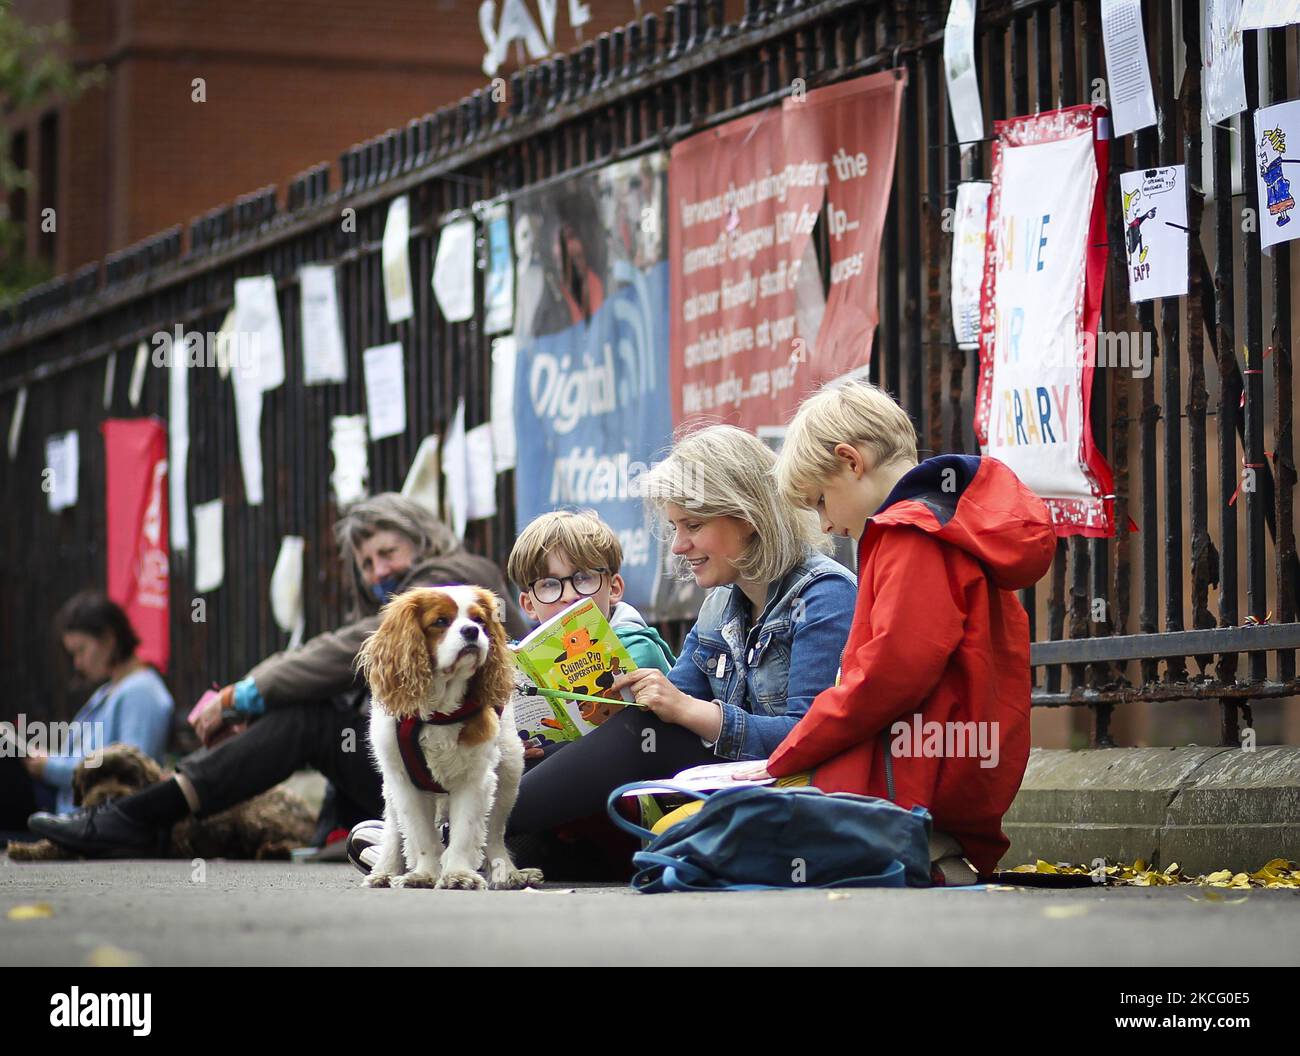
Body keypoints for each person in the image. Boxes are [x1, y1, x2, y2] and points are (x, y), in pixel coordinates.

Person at [28, 494, 528, 857]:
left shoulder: (457, 578)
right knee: (321, 714)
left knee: (308, 719)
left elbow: (344, 648)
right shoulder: (403, 608)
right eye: (366, 563)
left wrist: (244, 695)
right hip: (418, 774)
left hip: (485, 762)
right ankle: (144, 815)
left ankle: (138, 816)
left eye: (388, 553)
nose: (377, 572)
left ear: (422, 541)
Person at [737, 379, 1056, 883]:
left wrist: (794, 749)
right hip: (959, 744)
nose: (824, 525)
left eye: (819, 500)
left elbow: (891, 672)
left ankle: (923, 850)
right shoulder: (943, 524)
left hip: (920, 756)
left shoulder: (911, 535)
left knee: (776, 823)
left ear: (850, 461)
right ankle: (932, 853)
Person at [497, 425, 859, 868]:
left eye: (693, 525)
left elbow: (809, 739)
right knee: (544, 815)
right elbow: (661, 707)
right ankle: (452, 831)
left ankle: (463, 832)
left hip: (788, 796)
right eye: (674, 526)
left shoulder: (825, 594)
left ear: (747, 516)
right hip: (710, 796)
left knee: (644, 734)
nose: (679, 545)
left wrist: (687, 710)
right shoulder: (723, 601)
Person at [346, 508, 679, 872]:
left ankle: (434, 847)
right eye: (550, 585)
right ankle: (443, 846)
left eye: (583, 579)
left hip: (619, 816)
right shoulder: (519, 659)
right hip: (560, 827)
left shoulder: (635, 647)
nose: (569, 596)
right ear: (528, 604)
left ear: (613, 587)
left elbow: (632, 747)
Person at [24, 592, 173, 815]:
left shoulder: (141, 693)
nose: (77, 663)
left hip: (101, 827)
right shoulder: (111, 689)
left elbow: (128, 772)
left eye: (81, 650)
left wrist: (51, 767)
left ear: (109, 639)